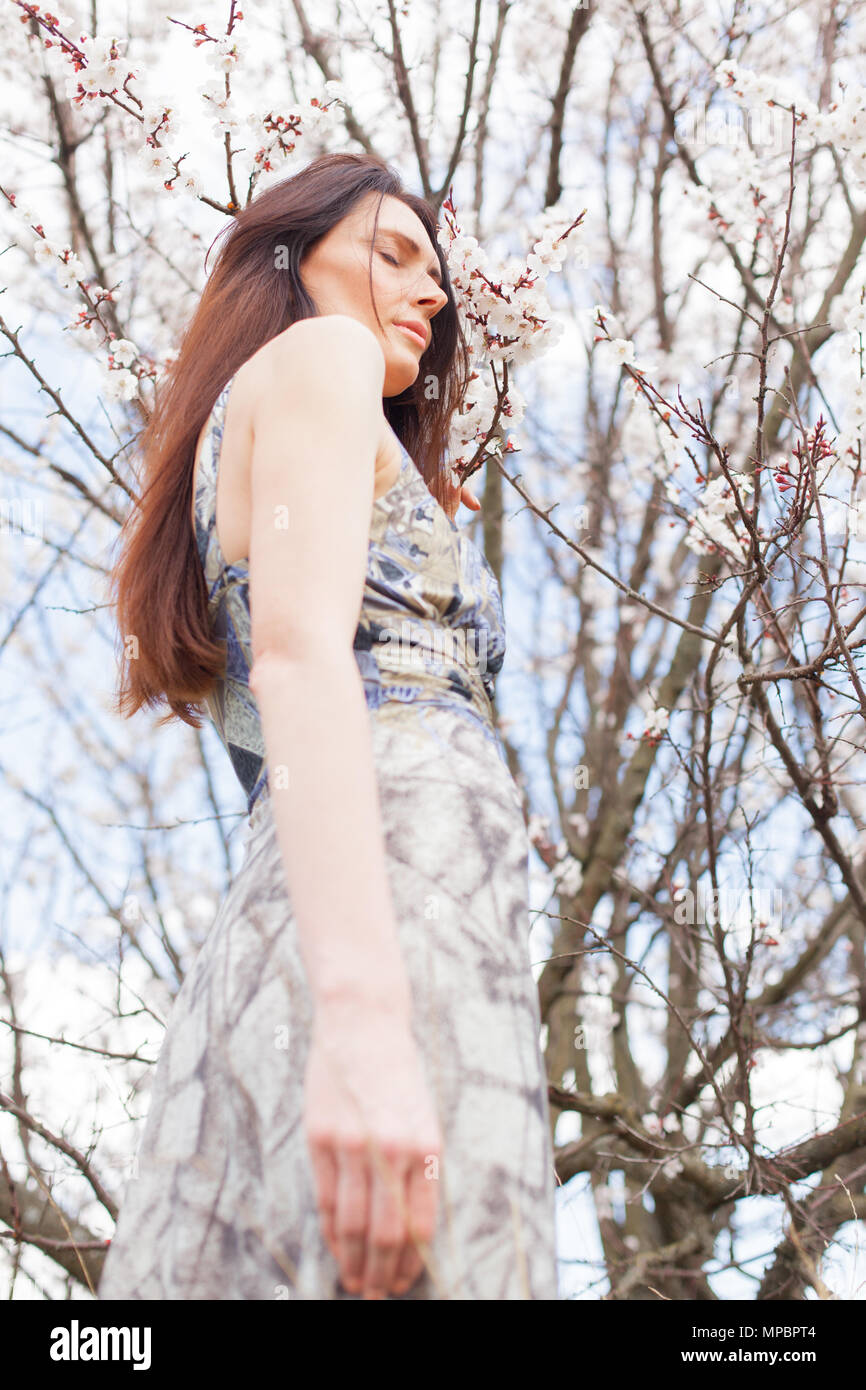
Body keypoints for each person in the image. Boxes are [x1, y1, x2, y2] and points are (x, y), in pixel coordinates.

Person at [100, 151, 558, 1301]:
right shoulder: (323, 350)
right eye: (390, 253)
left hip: (321, 903)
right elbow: (303, 659)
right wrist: (362, 1027)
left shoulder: (264, 422)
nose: (431, 290)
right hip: (391, 906)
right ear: (288, 262)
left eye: (434, 269)